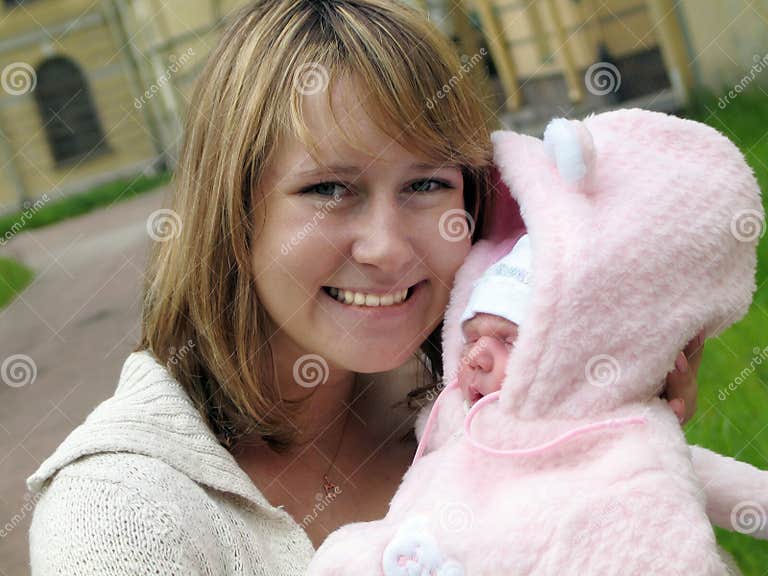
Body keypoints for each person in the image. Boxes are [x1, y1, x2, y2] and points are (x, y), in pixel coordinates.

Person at [25, 2, 702, 574]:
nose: (388, 248)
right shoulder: (119, 518)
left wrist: (602, 456)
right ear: (232, 214)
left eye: (426, 184)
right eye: (329, 189)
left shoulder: (478, 399)